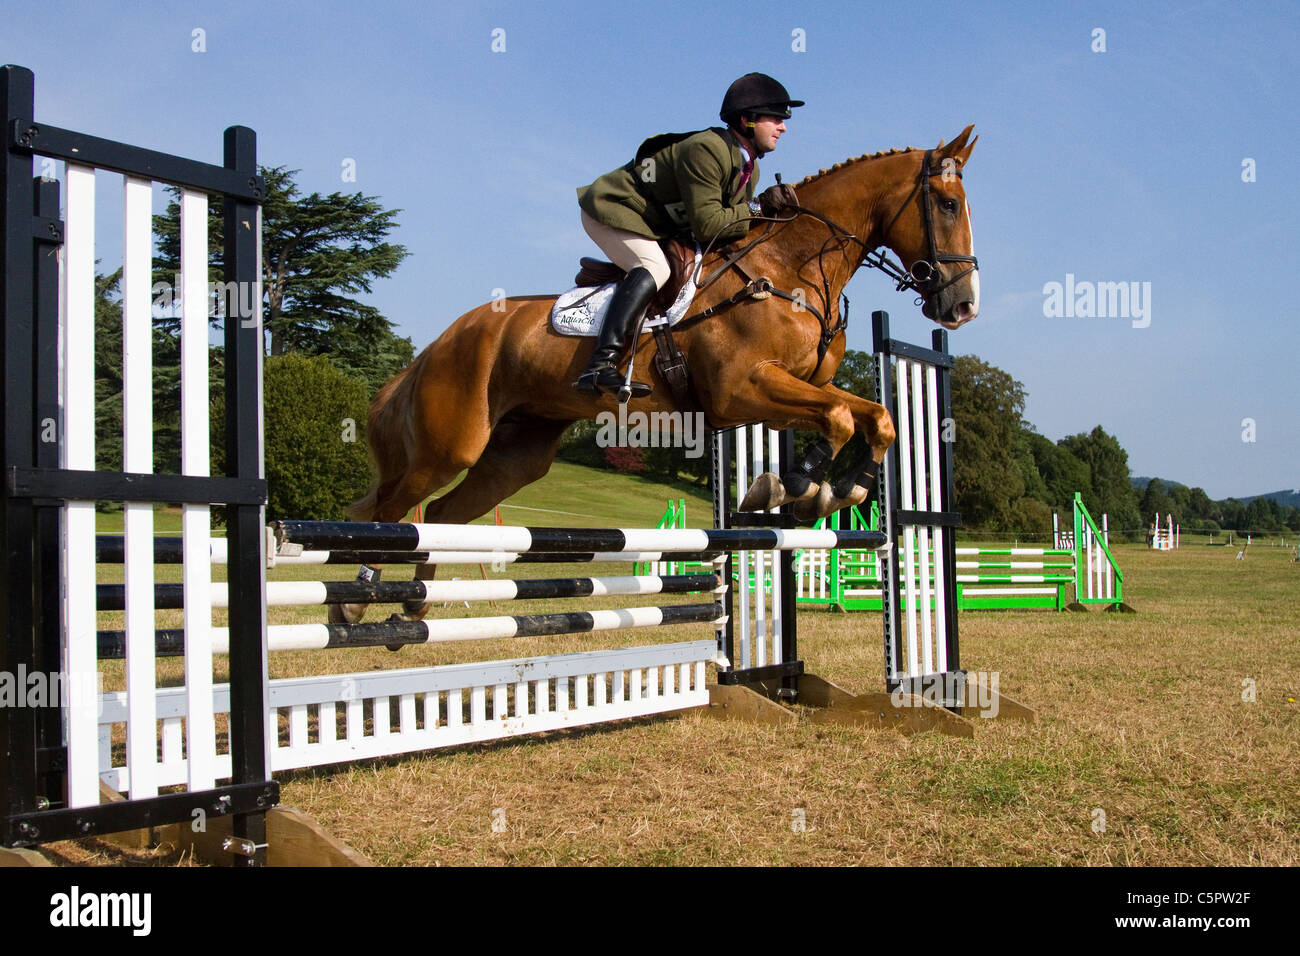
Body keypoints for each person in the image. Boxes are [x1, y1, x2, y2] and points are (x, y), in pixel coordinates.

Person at [573, 72, 804, 395]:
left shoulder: (749, 168)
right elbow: (709, 225)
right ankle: (600, 364)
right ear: (747, 119)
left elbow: (724, 232)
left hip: (654, 222)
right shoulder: (707, 149)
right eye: (776, 118)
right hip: (614, 208)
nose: (783, 127)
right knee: (655, 267)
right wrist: (758, 207)